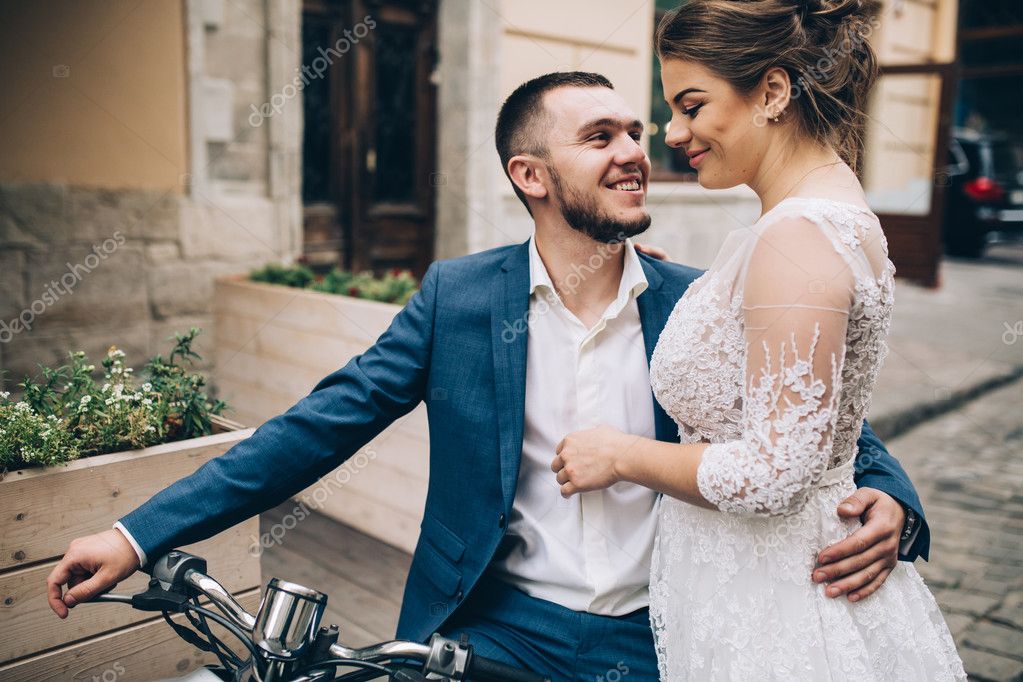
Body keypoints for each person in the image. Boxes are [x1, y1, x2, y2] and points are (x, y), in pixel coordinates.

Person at [48, 71, 927, 682]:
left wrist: (894, 501)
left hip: (668, 629)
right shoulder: (459, 301)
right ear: (529, 176)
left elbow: (820, 424)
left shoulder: (694, 302)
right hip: (495, 628)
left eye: (633, 129)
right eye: (599, 137)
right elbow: (318, 425)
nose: (635, 150)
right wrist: (135, 536)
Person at [552, 2, 965, 679]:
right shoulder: (812, 216)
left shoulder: (796, 234)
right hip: (749, 580)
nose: (672, 130)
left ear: (772, 92)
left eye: (690, 105)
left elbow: (773, 473)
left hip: (779, 598)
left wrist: (620, 454)